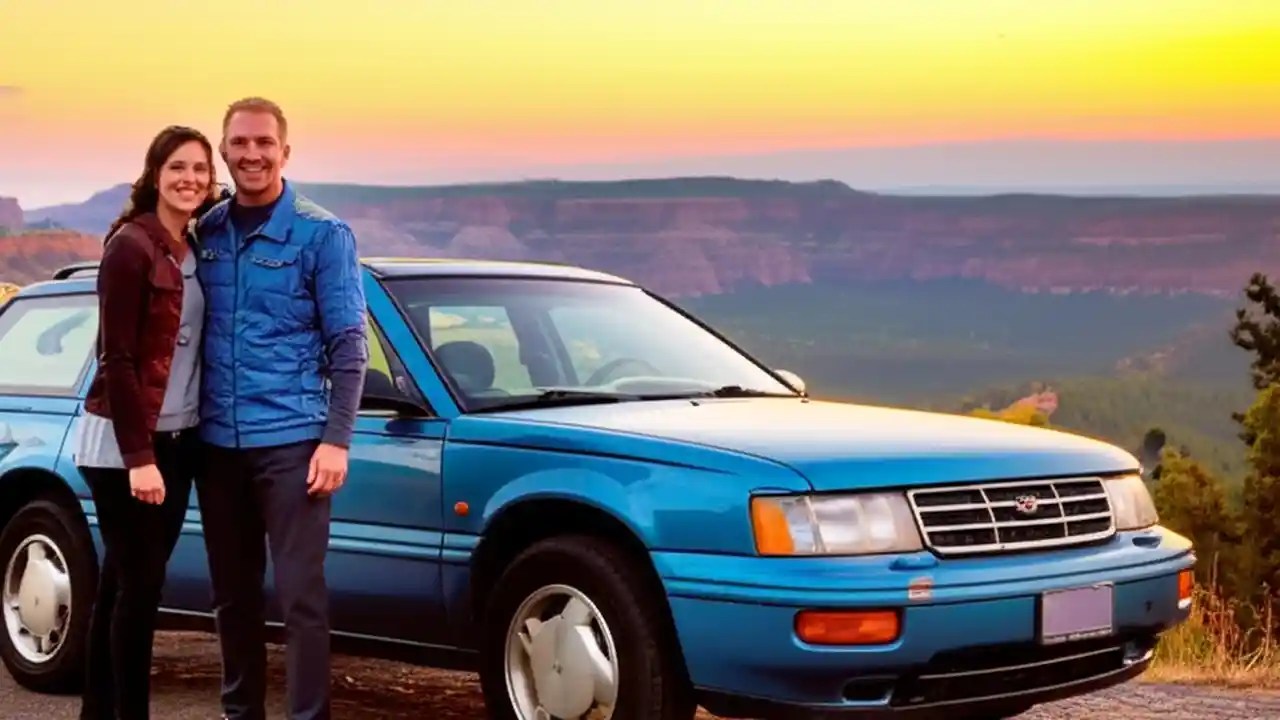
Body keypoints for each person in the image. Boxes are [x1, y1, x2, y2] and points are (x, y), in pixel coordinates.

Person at [193, 96, 368, 720]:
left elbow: (349, 345)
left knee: (300, 600)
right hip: (215, 449)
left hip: (293, 445)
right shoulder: (206, 232)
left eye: (264, 143)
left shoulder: (323, 234)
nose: (252, 154)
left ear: (284, 152)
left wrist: (336, 439)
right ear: (225, 150)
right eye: (239, 143)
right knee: (233, 599)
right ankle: (240, 715)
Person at [74, 125, 220, 719]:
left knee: (119, 584)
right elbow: (119, 358)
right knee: (141, 590)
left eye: (200, 170)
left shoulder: (195, 246)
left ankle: (97, 712)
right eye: (177, 167)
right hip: (124, 445)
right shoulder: (130, 246)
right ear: (155, 173)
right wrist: (140, 459)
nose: (190, 178)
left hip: (178, 438)